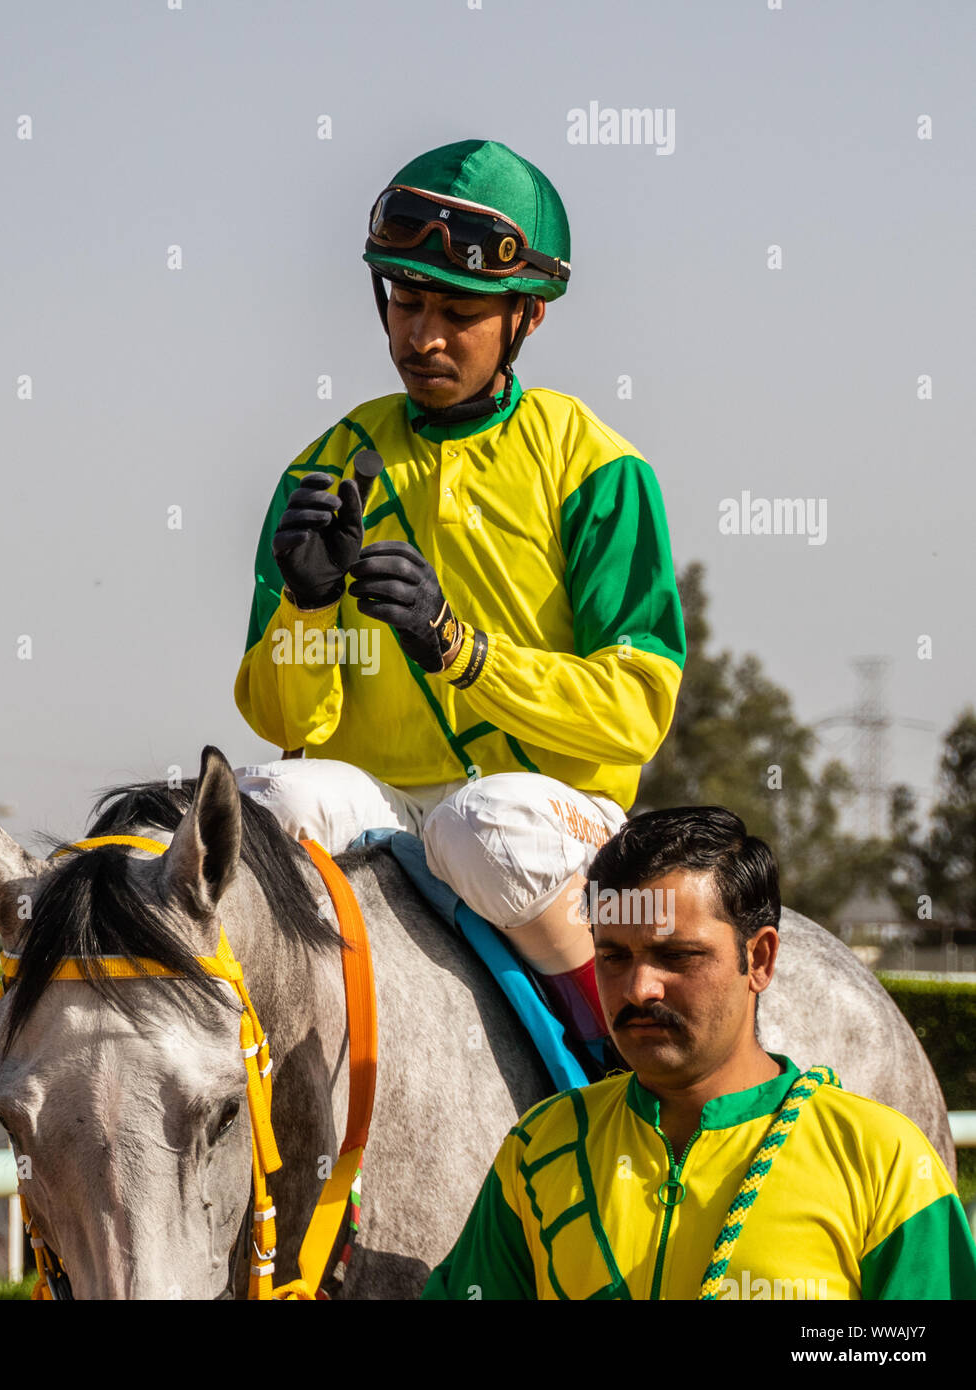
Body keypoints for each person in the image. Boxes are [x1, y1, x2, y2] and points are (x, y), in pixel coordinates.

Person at [234, 139, 686, 1050]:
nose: (422, 336)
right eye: (405, 301)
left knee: (483, 825)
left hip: (549, 819)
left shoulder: (599, 469)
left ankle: (621, 1081)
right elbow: (277, 716)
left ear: (527, 317)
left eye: (458, 311)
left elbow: (637, 710)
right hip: (381, 806)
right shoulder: (322, 470)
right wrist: (307, 608)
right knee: (265, 803)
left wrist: (462, 650)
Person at [422, 807, 976, 1300]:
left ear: (758, 959)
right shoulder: (538, 1148)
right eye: (613, 957)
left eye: (677, 955)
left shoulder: (884, 1161)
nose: (639, 988)